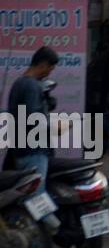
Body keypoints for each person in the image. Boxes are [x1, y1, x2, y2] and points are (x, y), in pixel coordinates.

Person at [2, 46, 59, 194]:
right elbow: (34, 120)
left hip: (22, 151)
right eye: (50, 69)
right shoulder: (31, 86)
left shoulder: (20, 83)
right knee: (37, 201)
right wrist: (56, 127)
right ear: (43, 65)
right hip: (33, 152)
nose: (49, 73)